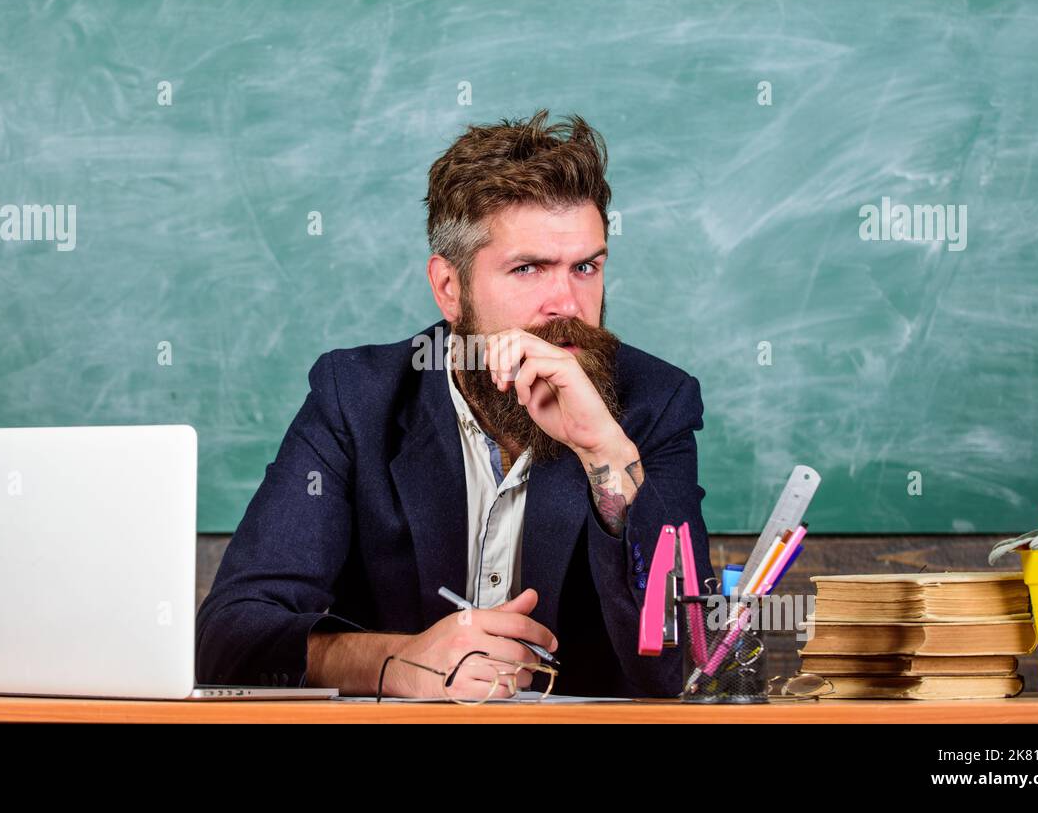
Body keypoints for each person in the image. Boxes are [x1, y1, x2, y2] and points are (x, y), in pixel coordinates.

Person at [196, 109, 714, 699]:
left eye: (585, 267)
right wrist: (397, 661)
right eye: (527, 269)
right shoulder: (357, 399)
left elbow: (688, 662)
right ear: (449, 287)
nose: (567, 303)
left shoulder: (654, 404)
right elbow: (229, 640)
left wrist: (603, 452)